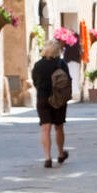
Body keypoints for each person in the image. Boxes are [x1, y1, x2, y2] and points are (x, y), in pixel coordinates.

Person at [31, 39, 70, 168]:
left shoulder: (38, 65)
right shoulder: (61, 63)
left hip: (43, 98)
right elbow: (67, 80)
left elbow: (35, 82)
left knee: (45, 128)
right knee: (59, 127)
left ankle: (47, 158)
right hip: (58, 99)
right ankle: (60, 154)